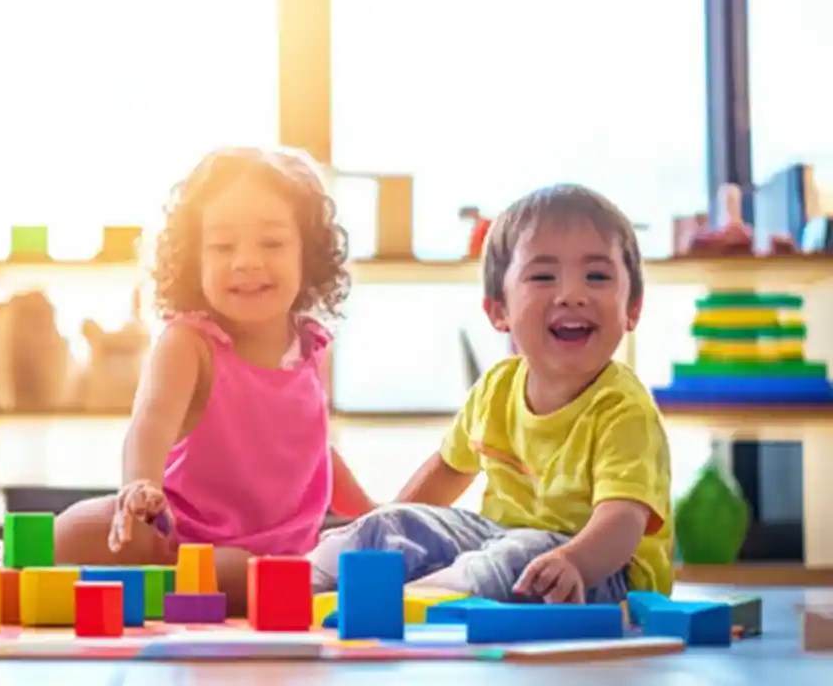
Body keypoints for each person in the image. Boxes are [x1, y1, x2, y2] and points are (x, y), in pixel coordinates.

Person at [307, 183, 673, 604]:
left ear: (633, 308)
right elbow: (447, 470)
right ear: (499, 310)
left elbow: (624, 520)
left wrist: (574, 560)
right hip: (503, 543)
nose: (572, 295)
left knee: (515, 555)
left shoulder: (624, 409)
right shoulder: (497, 388)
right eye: (542, 276)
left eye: (597, 276)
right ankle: (304, 580)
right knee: (391, 526)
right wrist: (396, 522)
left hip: (602, 570)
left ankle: (420, 601)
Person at [53, 146, 377, 613]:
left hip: (277, 551)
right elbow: (151, 422)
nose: (246, 261)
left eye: (272, 243)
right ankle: (188, 582)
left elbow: (313, 449)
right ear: (192, 260)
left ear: (309, 254)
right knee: (73, 531)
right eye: (223, 246)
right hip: (183, 534)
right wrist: (140, 485)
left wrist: (370, 512)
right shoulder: (189, 344)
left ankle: (203, 587)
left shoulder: (310, 347)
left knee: (252, 571)